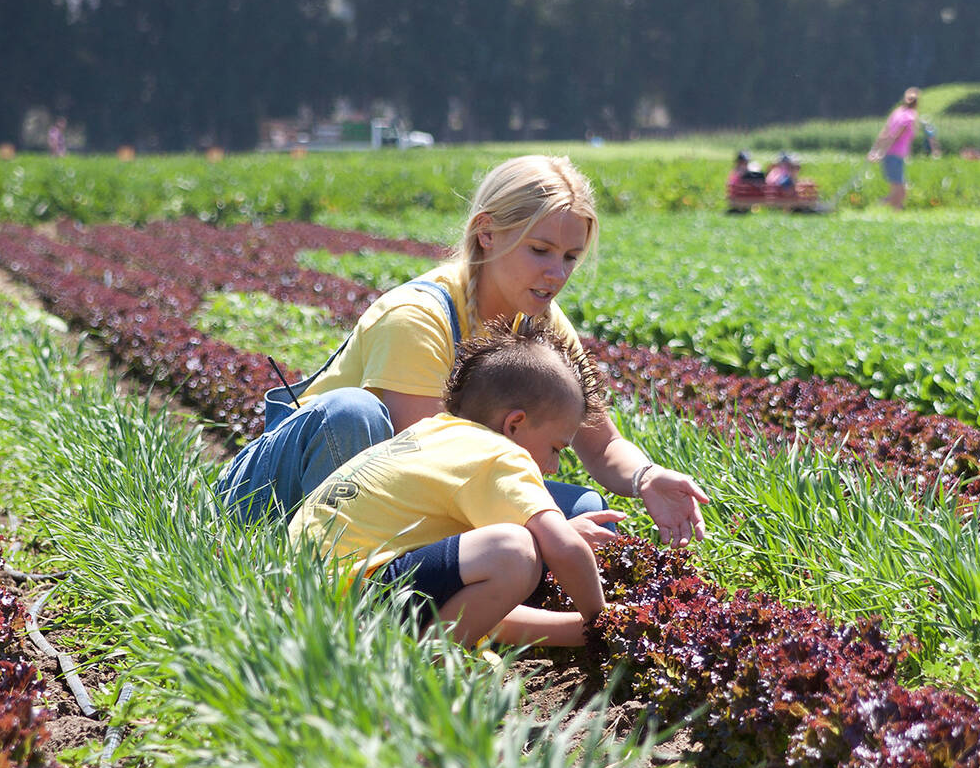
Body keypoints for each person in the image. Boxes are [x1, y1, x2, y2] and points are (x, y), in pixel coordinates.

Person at [214, 154, 709, 548]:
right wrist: (538, 529)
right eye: (540, 250)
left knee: (581, 511)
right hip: (278, 493)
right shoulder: (417, 315)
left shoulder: (545, 328)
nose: (556, 274)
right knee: (353, 413)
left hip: (407, 497)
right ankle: (333, 578)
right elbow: (425, 468)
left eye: (570, 257)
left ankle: (430, 585)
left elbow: (600, 446)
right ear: (486, 232)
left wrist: (647, 476)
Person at [289, 323, 607, 647]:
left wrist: (583, 633)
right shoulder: (499, 454)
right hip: (351, 598)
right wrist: (605, 621)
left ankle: (413, 658)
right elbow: (562, 549)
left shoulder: (432, 433)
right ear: (514, 424)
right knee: (516, 549)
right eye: (555, 448)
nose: (553, 467)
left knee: (513, 555)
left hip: (309, 600)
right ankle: (417, 669)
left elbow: (478, 611)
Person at [868, 88, 937, 209]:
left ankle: (896, 211)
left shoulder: (897, 112)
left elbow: (885, 132)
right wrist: (880, 152)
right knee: (899, 189)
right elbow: (895, 136)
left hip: (891, 155)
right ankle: (881, 206)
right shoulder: (910, 117)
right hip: (896, 155)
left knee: (900, 188)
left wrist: (875, 150)